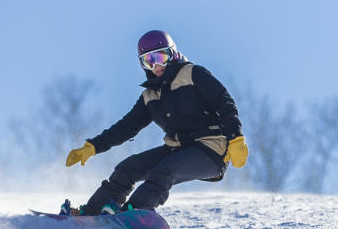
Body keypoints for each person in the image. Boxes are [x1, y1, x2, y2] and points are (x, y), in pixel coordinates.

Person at [61, 29, 248, 215]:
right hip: (177, 149)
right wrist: (93, 146)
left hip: (210, 149)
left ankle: (134, 213)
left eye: (161, 57)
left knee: (163, 171)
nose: (156, 65)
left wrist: (235, 138)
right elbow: (125, 127)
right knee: (127, 169)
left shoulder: (192, 73)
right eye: (148, 61)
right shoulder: (150, 95)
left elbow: (224, 101)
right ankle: (93, 213)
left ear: (172, 53)